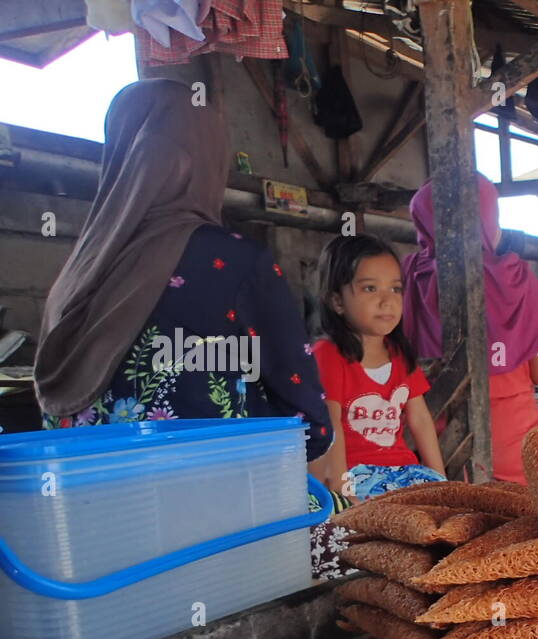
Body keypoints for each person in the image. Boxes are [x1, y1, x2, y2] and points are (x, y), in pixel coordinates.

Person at [34, 79, 330, 457]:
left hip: (88, 503)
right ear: (209, 157)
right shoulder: (233, 261)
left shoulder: (77, 271)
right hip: (207, 501)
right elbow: (307, 421)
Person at [402, 174, 538, 484]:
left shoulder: (405, 276)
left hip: (427, 455)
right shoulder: (516, 278)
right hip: (518, 457)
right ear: (490, 218)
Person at [310, 235, 445, 500]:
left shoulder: (400, 356)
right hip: (356, 475)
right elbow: (331, 424)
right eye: (370, 289)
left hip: (402, 472)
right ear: (337, 301)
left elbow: (420, 420)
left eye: (395, 289)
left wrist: (442, 480)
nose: (387, 301)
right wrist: (342, 492)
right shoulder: (328, 355)